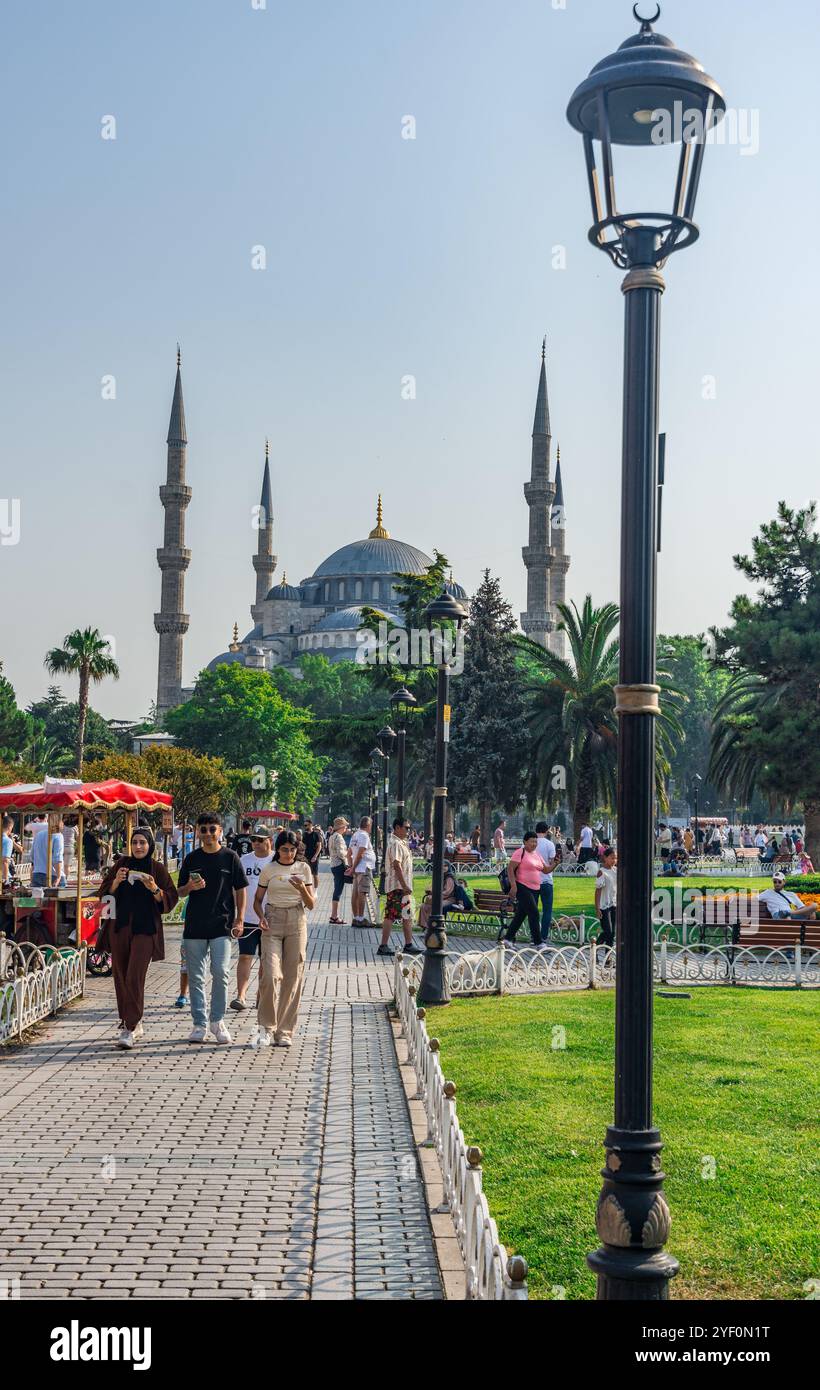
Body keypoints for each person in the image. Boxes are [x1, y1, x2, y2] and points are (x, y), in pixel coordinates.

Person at [97, 826, 178, 1050]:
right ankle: (131, 1020)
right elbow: (103, 897)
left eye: (143, 842)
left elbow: (170, 900)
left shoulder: (157, 868)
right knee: (121, 976)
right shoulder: (121, 865)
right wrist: (116, 882)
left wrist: (154, 888)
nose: (138, 847)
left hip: (146, 930)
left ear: (150, 845)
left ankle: (130, 1027)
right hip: (120, 928)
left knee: (134, 976)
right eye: (135, 843)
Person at [177, 812, 247, 1045]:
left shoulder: (230, 857)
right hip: (195, 925)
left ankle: (217, 1020)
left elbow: (240, 889)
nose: (208, 833)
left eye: (212, 829)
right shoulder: (191, 858)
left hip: (222, 924)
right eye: (203, 829)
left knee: (220, 972)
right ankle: (199, 1023)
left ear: (219, 831)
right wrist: (190, 886)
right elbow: (180, 892)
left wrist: (239, 919)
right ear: (198, 831)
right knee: (195, 977)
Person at [252, 830, 316, 1047]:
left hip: (297, 920)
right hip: (272, 919)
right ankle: (265, 1028)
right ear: (277, 849)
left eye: (292, 850)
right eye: (284, 849)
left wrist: (301, 888)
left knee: (292, 977)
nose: (288, 854)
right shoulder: (269, 869)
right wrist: (260, 917)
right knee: (270, 975)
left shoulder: (303, 869)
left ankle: (284, 1031)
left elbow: (311, 904)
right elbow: (257, 900)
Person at [231, 825, 274, 1010]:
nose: (256, 843)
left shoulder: (275, 861)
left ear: (269, 841)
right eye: (253, 840)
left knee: (265, 959)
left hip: (269, 918)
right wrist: (237, 914)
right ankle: (241, 996)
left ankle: (261, 994)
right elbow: (236, 887)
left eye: (260, 840)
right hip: (247, 917)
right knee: (245, 956)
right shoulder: (243, 860)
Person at [377, 818, 421, 958]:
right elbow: (397, 865)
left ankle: (408, 944)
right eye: (406, 828)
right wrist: (404, 885)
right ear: (397, 828)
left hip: (402, 887)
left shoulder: (401, 843)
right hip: (398, 887)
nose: (408, 830)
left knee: (407, 914)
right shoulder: (396, 843)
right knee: (390, 915)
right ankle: (383, 945)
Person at [504, 831, 551, 947]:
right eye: (531, 841)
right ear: (525, 842)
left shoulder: (537, 855)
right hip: (522, 887)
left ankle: (507, 939)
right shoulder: (520, 852)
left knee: (521, 914)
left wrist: (556, 863)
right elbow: (510, 869)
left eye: (535, 841)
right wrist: (513, 886)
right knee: (534, 913)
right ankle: (538, 942)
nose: (534, 844)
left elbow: (546, 870)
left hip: (535, 888)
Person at [348, 816, 376, 926]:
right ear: (368, 825)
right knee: (362, 893)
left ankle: (356, 917)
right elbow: (360, 853)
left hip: (357, 868)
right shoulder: (364, 836)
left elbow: (348, 854)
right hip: (364, 867)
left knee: (355, 893)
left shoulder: (355, 835)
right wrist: (353, 868)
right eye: (371, 826)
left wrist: (351, 867)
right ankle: (360, 918)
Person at [534, 820, 556, 943]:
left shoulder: (529, 843)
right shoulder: (549, 844)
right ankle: (543, 937)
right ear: (546, 831)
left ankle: (534, 936)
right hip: (546, 880)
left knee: (533, 910)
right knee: (547, 910)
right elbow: (552, 861)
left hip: (532, 881)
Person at [328, 816, 350, 924]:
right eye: (345, 826)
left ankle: (334, 915)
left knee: (337, 889)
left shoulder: (332, 836)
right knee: (338, 890)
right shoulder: (339, 837)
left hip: (333, 864)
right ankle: (334, 916)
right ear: (341, 827)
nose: (346, 828)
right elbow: (341, 853)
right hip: (339, 865)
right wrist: (347, 862)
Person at [31, 819, 65, 887]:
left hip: (37, 874)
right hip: (52, 875)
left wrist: (31, 876)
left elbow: (32, 857)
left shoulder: (38, 834)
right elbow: (57, 859)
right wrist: (58, 876)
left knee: (37, 897)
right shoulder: (58, 836)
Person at [595, 847, 617, 948]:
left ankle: (608, 959)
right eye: (612, 858)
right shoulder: (601, 872)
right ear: (605, 857)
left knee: (612, 933)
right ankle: (594, 947)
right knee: (608, 931)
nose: (614, 861)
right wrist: (597, 908)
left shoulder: (616, 871)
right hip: (604, 906)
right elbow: (598, 890)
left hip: (614, 904)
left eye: (615, 858)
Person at [303, 818, 324, 889]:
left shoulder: (316, 834)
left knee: (315, 874)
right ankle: (308, 889)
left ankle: (316, 891)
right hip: (306, 856)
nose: (305, 827)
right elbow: (303, 846)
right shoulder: (305, 834)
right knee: (306, 873)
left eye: (306, 825)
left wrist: (315, 856)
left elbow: (319, 846)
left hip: (314, 856)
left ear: (311, 825)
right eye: (304, 825)